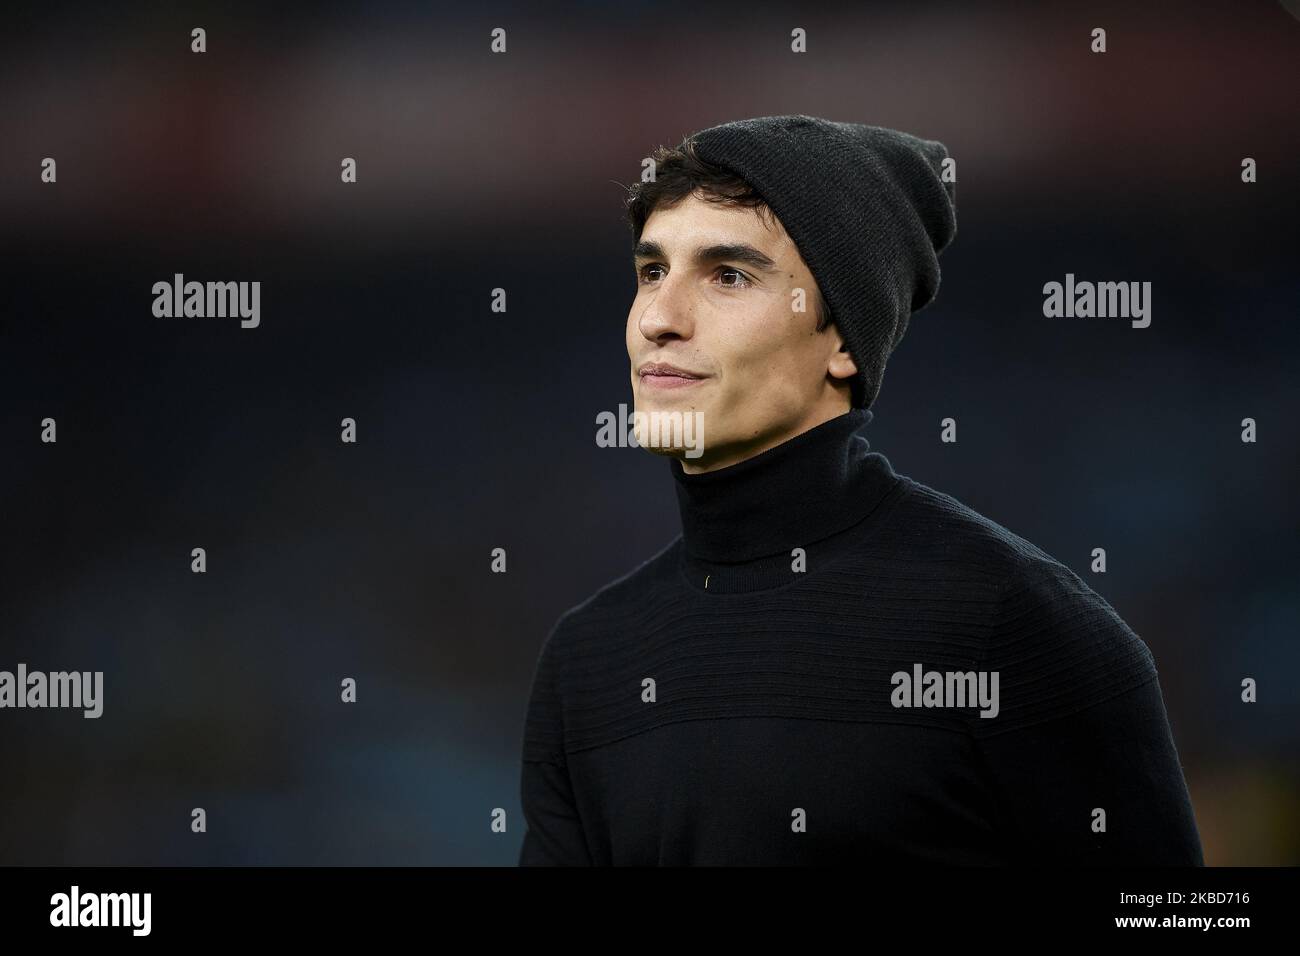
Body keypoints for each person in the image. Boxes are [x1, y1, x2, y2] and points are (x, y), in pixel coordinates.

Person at [517, 114, 1204, 865]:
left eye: (729, 276)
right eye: (652, 271)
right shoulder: (589, 661)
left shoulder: (1013, 623)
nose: (657, 319)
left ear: (842, 339)